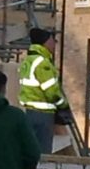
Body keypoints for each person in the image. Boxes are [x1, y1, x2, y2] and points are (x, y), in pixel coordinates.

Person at [17, 26, 65, 156]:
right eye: (52, 40)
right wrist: (63, 105)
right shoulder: (43, 63)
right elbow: (51, 91)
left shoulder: (29, 60)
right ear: (45, 42)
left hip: (30, 111)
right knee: (43, 154)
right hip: (43, 113)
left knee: (30, 150)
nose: (54, 44)